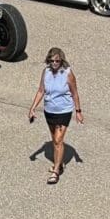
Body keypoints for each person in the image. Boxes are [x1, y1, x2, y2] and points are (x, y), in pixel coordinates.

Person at [28, 47, 84, 186]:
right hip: (50, 111)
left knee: (58, 140)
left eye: (57, 61)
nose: (54, 63)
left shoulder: (68, 73)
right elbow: (41, 90)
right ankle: (59, 163)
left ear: (61, 61)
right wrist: (33, 108)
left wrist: (78, 111)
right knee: (54, 140)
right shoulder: (46, 72)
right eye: (52, 60)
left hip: (64, 111)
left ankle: (56, 171)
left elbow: (75, 93)